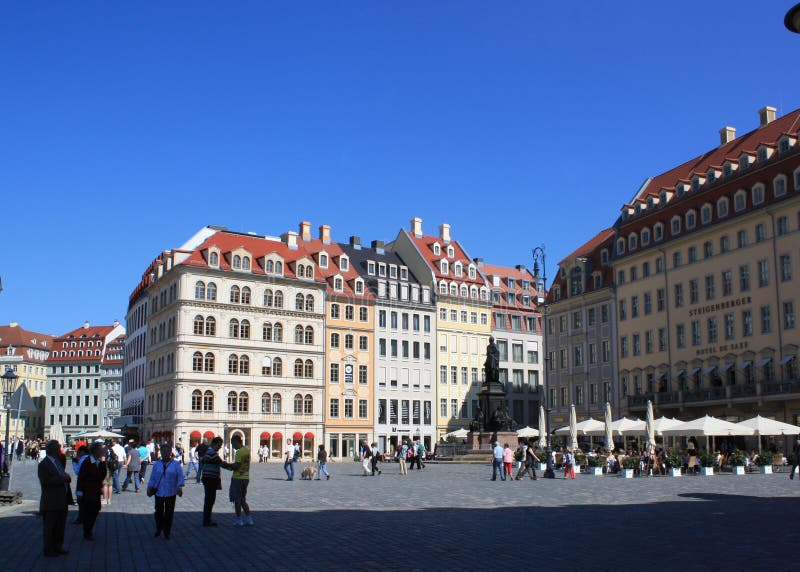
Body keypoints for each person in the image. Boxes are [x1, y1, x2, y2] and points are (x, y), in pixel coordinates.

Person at [38, 440, 72, 557]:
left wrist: (66, 477)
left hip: (62, 499)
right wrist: (63, 478)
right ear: (53, 450)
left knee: (60, 525)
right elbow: (46, 481)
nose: (60, 450)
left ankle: (58, 546)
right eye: (59, 448)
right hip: (51, 500)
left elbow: (62, 474)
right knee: (50, 526)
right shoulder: (43, 464)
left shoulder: (57, 462)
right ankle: (49, 549)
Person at [148, 444, 184, 539]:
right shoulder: (157, 464)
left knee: (169, 512)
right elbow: (153, 477)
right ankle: (159, 528)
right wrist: (149, 487)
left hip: (171, 491)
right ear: (161, 452)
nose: (165, 453)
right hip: (159, 491)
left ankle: (167, 531)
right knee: (158, 512)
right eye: (163, 451)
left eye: (167, 451)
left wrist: (180, 487)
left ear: (170, 452)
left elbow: (180, 476)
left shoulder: (176, 464)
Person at [76, 442, 107, 541]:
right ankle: (87, 531)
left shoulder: (99, 461)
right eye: (100, 449)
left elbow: (103, 475)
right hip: (88, 491)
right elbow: (81, 477)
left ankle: (88, 529)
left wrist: (103, 463)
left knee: (96, 509)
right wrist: (79, 492)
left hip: (96, 490)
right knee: (90, 511)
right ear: (95, 451)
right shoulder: (87, 462)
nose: (102, 451)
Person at [222, 435, 253, 526]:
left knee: (237, 500)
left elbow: (237, 465)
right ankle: (249, 518)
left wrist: (227, 465)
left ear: (236, 442)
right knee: (243, 499)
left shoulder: (239, 452)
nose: (232, 445)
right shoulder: (247, 451)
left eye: (232, 443)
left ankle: (239, 519)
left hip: (238, 478)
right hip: (246, 477)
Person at [200, 437, 223, 526]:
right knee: (210, 499)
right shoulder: (211, 453)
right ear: (214, 444)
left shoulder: (209, 452)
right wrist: (234, 467)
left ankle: (207, 519)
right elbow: (221, 463)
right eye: (219, 445)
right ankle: (207, 520)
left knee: (209, 499)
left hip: (208, 477)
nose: (220, 447)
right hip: (210, 478)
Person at [71, 445, 89, 524]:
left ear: (82, 452)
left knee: (81, 501)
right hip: (90, 483)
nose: (77, 453)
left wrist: (74, 462)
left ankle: (81, 518)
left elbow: (78, 471)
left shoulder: (82, 459)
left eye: (78, 452)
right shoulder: (91, 458)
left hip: (82, 483)